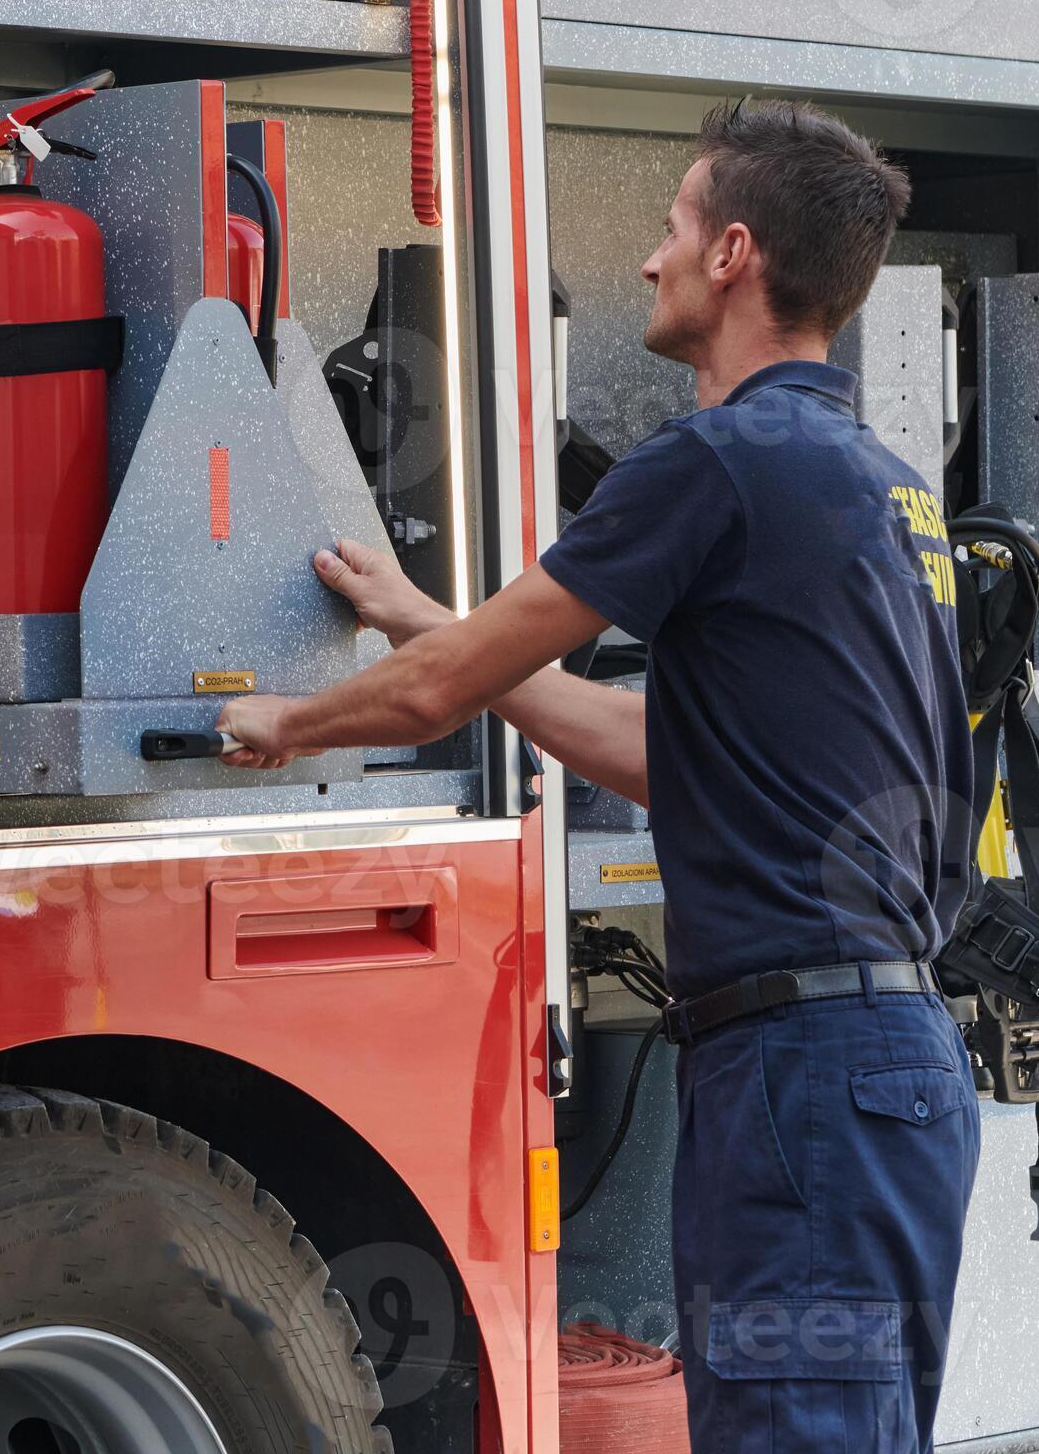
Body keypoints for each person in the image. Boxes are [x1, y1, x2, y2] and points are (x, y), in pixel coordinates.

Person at [222, 99, 981, 1451]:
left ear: (735, 254)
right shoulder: (876, 480)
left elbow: (440, 696)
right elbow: (657, 750)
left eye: (674, 226)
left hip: (801, 1073)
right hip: (887, 1068)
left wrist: (285, 722)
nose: (651, 259)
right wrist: (419, 622)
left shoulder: (720, 462)